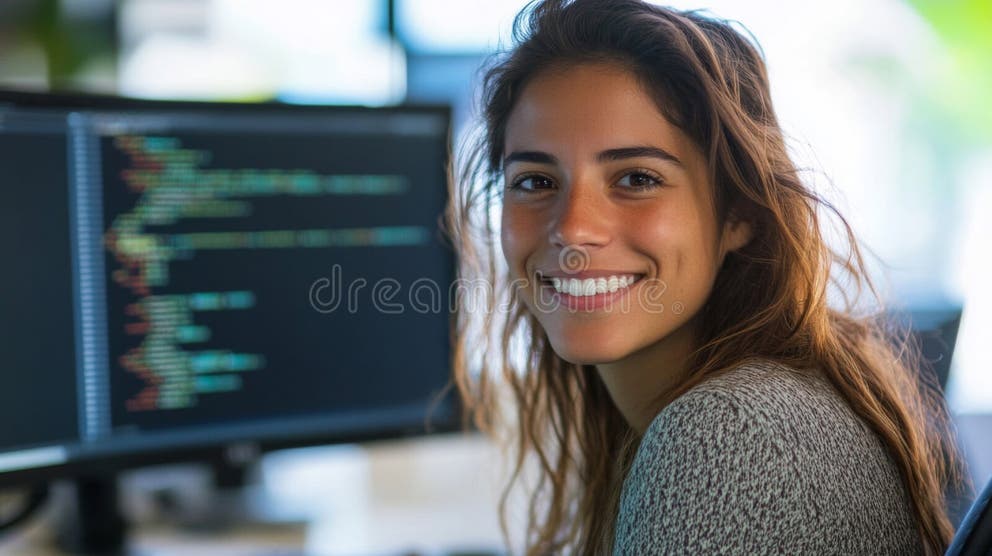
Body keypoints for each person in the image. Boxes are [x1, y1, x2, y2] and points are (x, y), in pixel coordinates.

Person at [444, 0, 967, 554]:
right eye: (535, 182)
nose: (573, 229)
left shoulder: (727, 436)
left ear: (739, 214)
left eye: (637, 179)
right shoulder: (745, 405)